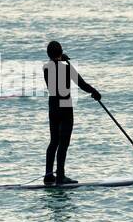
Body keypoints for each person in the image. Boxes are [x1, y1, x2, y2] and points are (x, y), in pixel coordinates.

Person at [42, 40, 100, 186]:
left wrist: (61, 60)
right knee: (64, 143)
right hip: (65, 106)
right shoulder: (67, 67)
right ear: (61, 52)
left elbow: (54, 66)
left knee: (54, 141)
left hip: (53, 106)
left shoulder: (46, 68)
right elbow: (81, 84)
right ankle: (60, 176)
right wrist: (94, 92)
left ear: (49, 54)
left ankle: (49, 175)